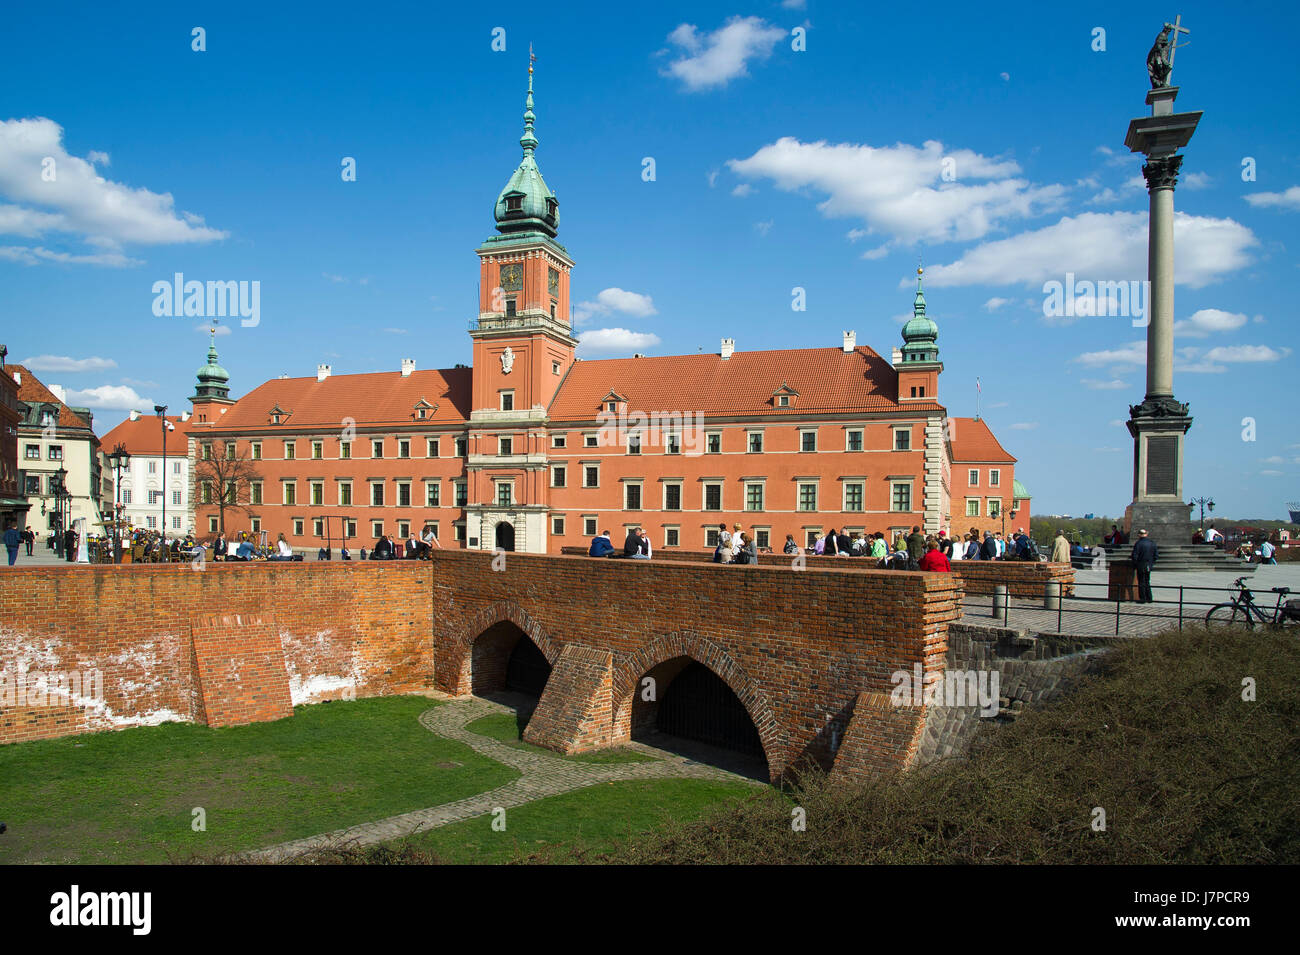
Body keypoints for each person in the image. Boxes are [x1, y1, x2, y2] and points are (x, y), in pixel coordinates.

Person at [1131, 529, 1158, 603]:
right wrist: (1151, 563)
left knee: (1141, 581)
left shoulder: (1138, 543)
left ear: (1139, 535)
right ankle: (1149, 598)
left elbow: (1134, 556)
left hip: (1141, 564)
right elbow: (1156, 556)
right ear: (1146, 534)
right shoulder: (1152, 543)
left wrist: (1135, 564)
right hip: (1149, 564)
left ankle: (1142, 598)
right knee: (1147, 581)